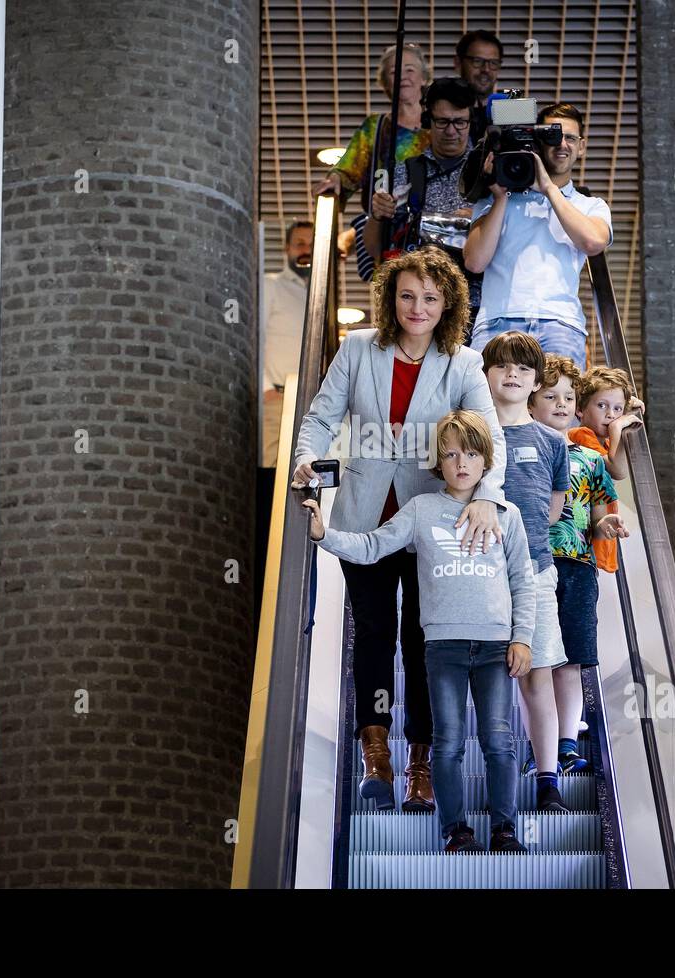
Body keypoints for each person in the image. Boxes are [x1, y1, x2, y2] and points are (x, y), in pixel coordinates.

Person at [291, 248, 507, 814]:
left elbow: (493, 440)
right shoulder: (359, 348)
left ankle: (421, 764)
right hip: (364, 516)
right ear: (391, 297)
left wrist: (485, 497)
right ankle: (376, 754)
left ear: (447, 305)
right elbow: (320, 417)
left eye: (430, 298)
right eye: (407, 295)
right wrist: (306, 459)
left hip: (434, 522)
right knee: (375, 635)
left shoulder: (463, 363)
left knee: (423, 641)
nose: (417, 307)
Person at [303, 410, 533, 853]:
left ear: (486, 460)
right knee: (447, 743)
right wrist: (323, 535)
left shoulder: (507, 516)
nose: (460, 463)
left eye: (469, 454)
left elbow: (523, 580)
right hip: (442, 647)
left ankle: (506, 829)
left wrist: (522, 636)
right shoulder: (421, 509)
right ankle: (455, 830)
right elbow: (372, 546)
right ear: (437, 464)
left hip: (494, 646)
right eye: (449, 455)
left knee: (499, 742)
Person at [480, 331, 573, 813]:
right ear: (487, 373)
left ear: (536, 381)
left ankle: (547, 778)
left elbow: (554, 511)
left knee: (537, 675)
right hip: (478, 575)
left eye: (523, 369)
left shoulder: (553, 441)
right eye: (502, 366)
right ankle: (494, 783)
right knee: (490, 677)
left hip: (536, 571)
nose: (512, 374)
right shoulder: (472, 432)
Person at [529, 354, 627, 769]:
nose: (562, 404)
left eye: (569, 397)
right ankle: (541, 748)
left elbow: (600, 511)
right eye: (551, 396)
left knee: (571, 659)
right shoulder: (520, 450)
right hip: (532, 567)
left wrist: (605, 528)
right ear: (531, 403)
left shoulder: (588, 458)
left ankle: (567, 742)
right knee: (534, 661)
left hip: (578, 566)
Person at [463, 101, 614, 368]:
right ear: (537, 141)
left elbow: (593, 242)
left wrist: (548, 189)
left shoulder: (590, 205)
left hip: (561, 324)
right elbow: (475, 261)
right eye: (552, 136)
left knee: (559, 409)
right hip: (497, 321)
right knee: (484, 409)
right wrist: (499, 196)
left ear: (581, 145)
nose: (562, 144)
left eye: (569, 137)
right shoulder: (497, 198)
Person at [362, 76, 483, 326]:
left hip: (477, 308)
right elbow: (374, 249)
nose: (451, 131)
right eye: (442, 122)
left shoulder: (489, 171)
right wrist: (376, 215)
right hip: (416, 311)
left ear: (471, 122)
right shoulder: (402, 173)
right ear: (427, 121)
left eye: (460, 122)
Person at [313, 43, 432, 201]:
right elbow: (349, 169)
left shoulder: (440, 123)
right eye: (394, 72)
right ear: (385, 82)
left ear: (423, 78)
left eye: (410, 70)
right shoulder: (375, 126)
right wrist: (335, 179)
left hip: (431, 219)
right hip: (382, 219)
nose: (402, 76)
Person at [571, 366, 644, 573]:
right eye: (602, 405)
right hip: (586, 536)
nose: (611, 415)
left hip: (600, 531)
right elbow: (617, 470)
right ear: (580, 409)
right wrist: (618, 427)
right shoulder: (581, 435)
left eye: (618, 409)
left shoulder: (603, 441)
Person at [260, 220, 314, 469]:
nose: (306, 250)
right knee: (274, 470)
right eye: (299, 244)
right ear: (287, 248)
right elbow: (255, 337)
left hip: (313, 404)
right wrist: (265, 389)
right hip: (278, 399)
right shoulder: (271, 285)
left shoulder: (319, 295)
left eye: (312, 244)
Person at [453, 30, 503, 115]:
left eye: (493, 63)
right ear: (458, 63)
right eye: (477, 61)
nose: (486, 69)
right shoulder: (441, 113)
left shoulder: (510, 115)